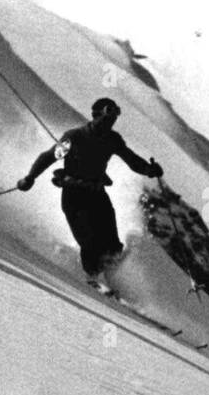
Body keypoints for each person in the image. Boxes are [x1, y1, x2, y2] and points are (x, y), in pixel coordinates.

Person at [17, 98, 163, 285]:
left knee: (112, 244)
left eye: (114, 116)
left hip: (97, 195)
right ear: (96, 115)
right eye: (108, 115)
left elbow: (132, 160)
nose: (111, 121)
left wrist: (149, 170)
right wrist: (30, 177)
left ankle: (114, 283)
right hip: (74, 196)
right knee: (89, 242)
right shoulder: (75, 137)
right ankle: (93, 281)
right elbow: (48, 157)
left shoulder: (113, 140)